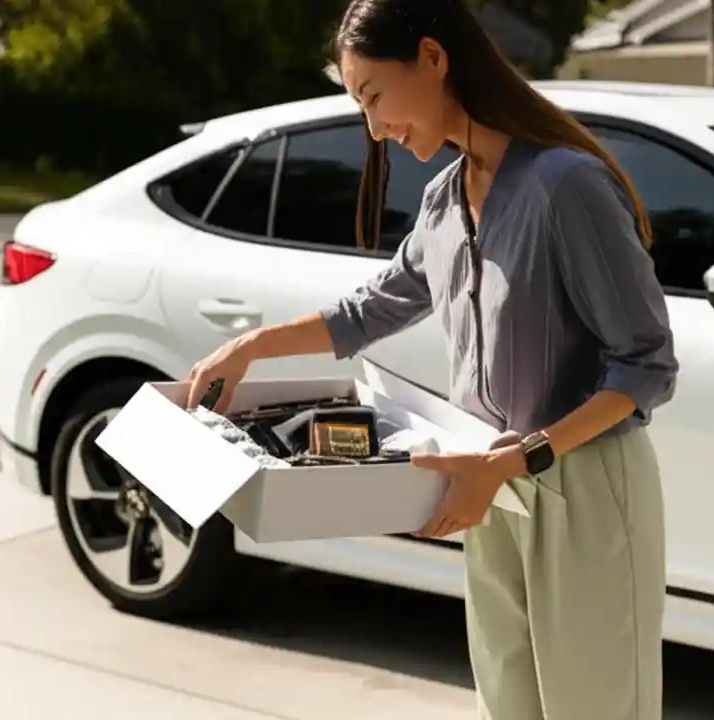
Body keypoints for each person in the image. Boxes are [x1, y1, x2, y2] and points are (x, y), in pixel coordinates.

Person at [184, 0, 679, 717]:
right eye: (360, 106)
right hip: (488, 487)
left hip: (583, 489)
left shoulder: (565, 187)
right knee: (509, 706)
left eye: (374, 96)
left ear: (434, 58)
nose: (374, 128)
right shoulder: (446, 200)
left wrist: (514, 461)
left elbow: (645, 368)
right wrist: (251, 346)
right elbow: (368, 311)